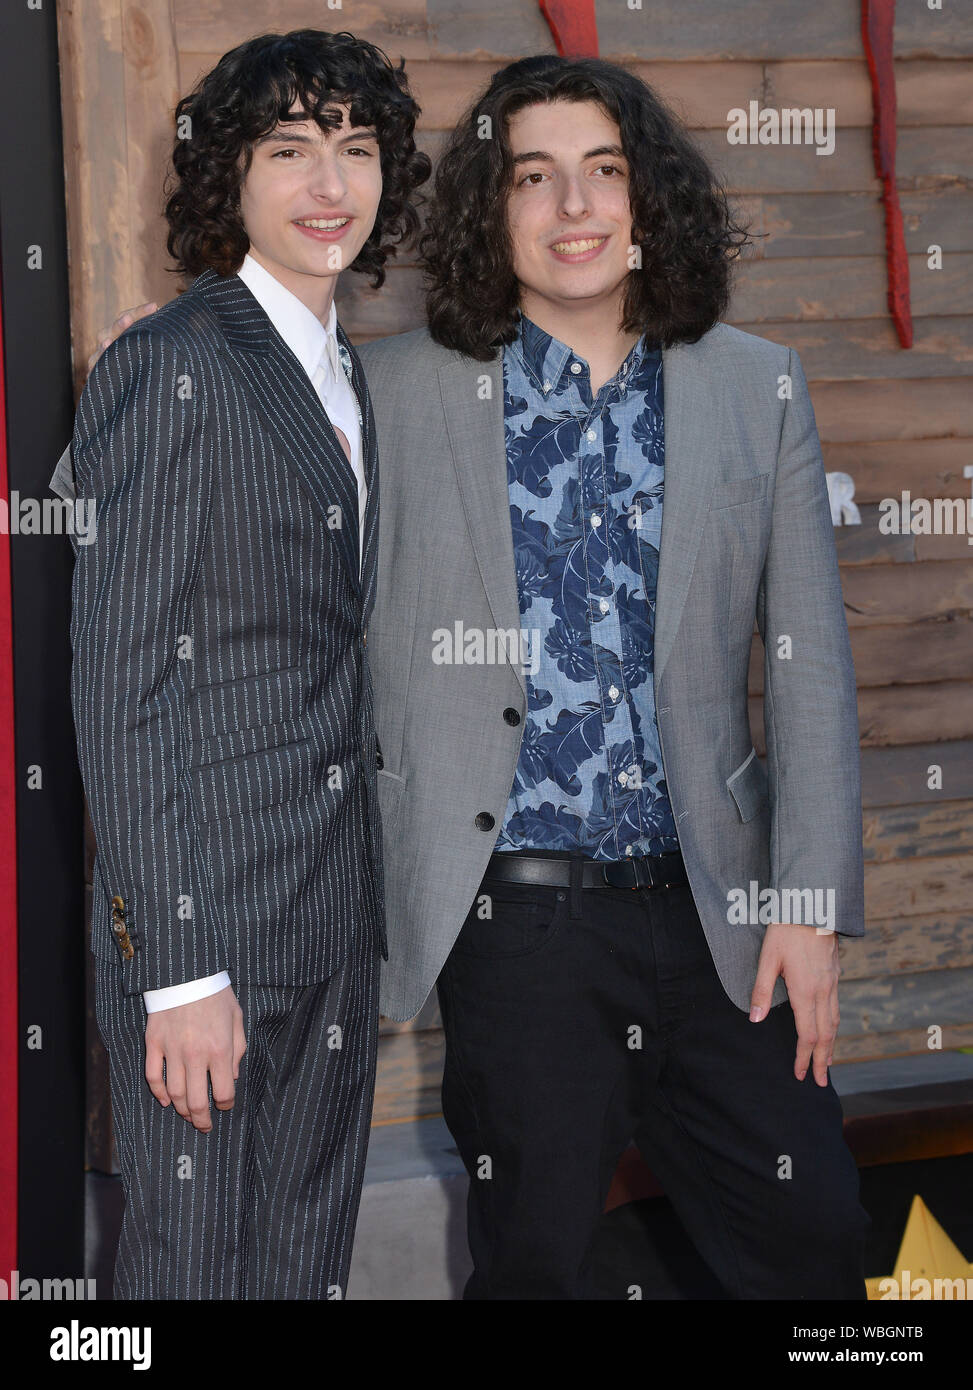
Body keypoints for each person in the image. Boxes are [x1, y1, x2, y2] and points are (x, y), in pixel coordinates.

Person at [58, 53, 868, 1301]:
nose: (576, 208)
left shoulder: (752, 384)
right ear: (493, 207)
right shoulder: (387, 390)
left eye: (604, 173)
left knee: (814, 1237)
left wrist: (809, 903)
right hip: (517, 925)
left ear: (647, 198)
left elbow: (809, 659)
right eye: (534, 178)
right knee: (530, 1260)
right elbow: (200, 626)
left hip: (727, 919)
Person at [52, 29, 429, 1299]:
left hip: (331, 911)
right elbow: (120, 690)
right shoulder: (172, 364)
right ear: (231, 176)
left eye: (357, 148)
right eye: (290, 150)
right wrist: (179, 969)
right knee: (189, 1275)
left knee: (300, 1265)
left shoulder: (343, 376)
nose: (331, 182)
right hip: (209, 926)